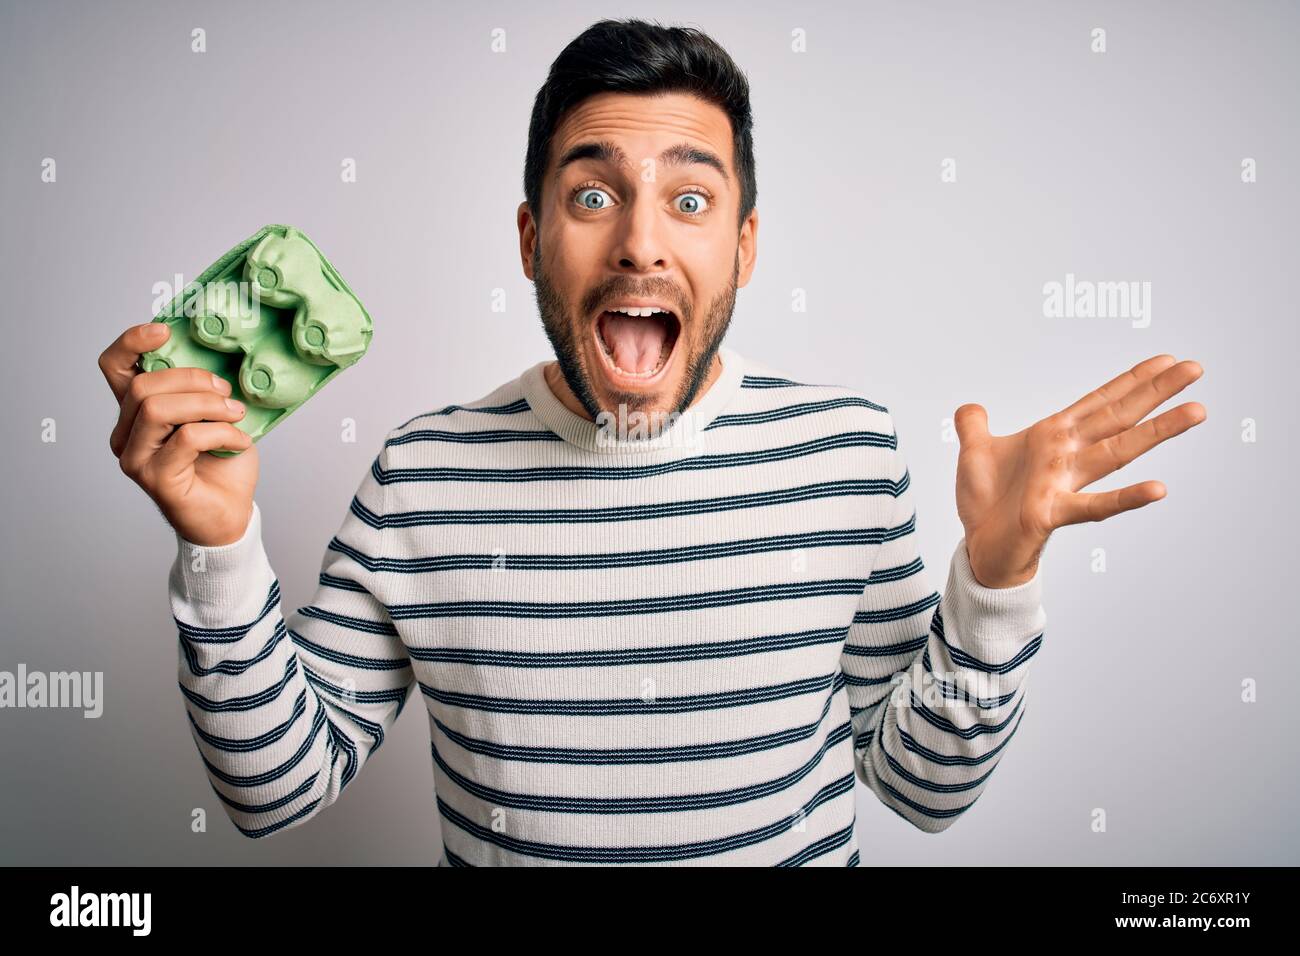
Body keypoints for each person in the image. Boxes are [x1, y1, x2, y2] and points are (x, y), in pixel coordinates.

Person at [97, 18, 1206, 866]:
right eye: (591, 194)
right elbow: (273, 789)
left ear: (744, 245)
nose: (638, 243)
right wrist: (222, 546)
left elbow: (922, 791)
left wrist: (995, 584)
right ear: (532, 240)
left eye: (688, 199)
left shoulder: (846, 456)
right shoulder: (421, 476)